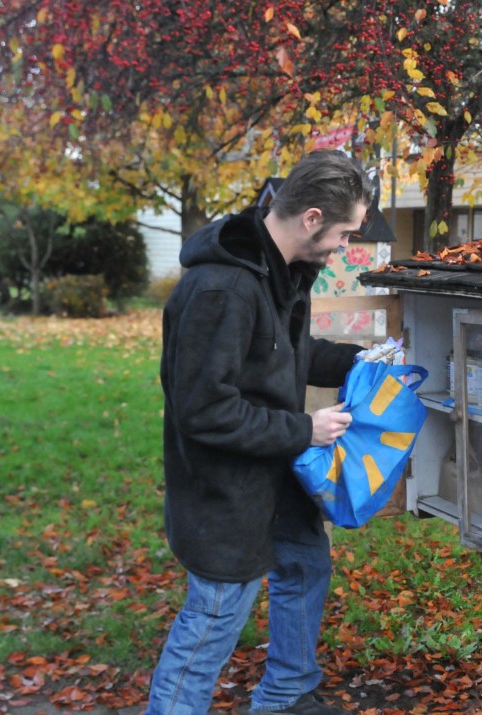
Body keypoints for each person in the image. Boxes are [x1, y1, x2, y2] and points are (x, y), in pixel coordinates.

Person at [147, 151, 374, 715]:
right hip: (225, 491)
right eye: (346, 232)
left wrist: (363, 362)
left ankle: (285, 694)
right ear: (314, 217)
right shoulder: (223, 290)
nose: (344, 246)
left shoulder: (282, 273)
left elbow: (285, 360)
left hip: (273, 475)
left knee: (305, 564)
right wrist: (304, 429)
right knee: (213, 620)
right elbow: (204, 411)